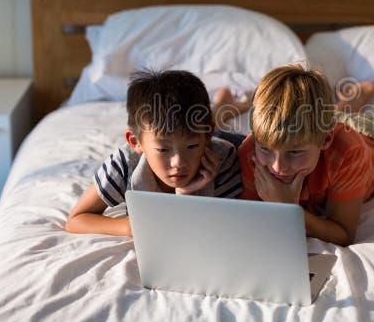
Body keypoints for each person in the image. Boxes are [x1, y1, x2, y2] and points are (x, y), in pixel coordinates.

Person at [237, 64, 374, 246]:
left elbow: (344, 234)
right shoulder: (251, 151)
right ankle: (362, 91)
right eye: (265, 149)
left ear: (326, 140)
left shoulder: (349, 154)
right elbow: (255, 221)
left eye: (294, 152)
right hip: (319, 130)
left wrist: (289, 208)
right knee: (334, 115)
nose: (278, 167)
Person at [65, 70, 242, 237]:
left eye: (192, 146)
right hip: (203, 134)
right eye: (163, 149)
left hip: (220, 138)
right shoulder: (126, 162)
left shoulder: (223, 158)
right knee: (188, 131)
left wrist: (185, 194)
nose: (178, 162)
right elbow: (75, 220)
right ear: (135, 142)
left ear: (207, 136)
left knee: (206, 129)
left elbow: (204, 229)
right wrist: (131, 227)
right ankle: (221, 104)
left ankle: (221, 105)